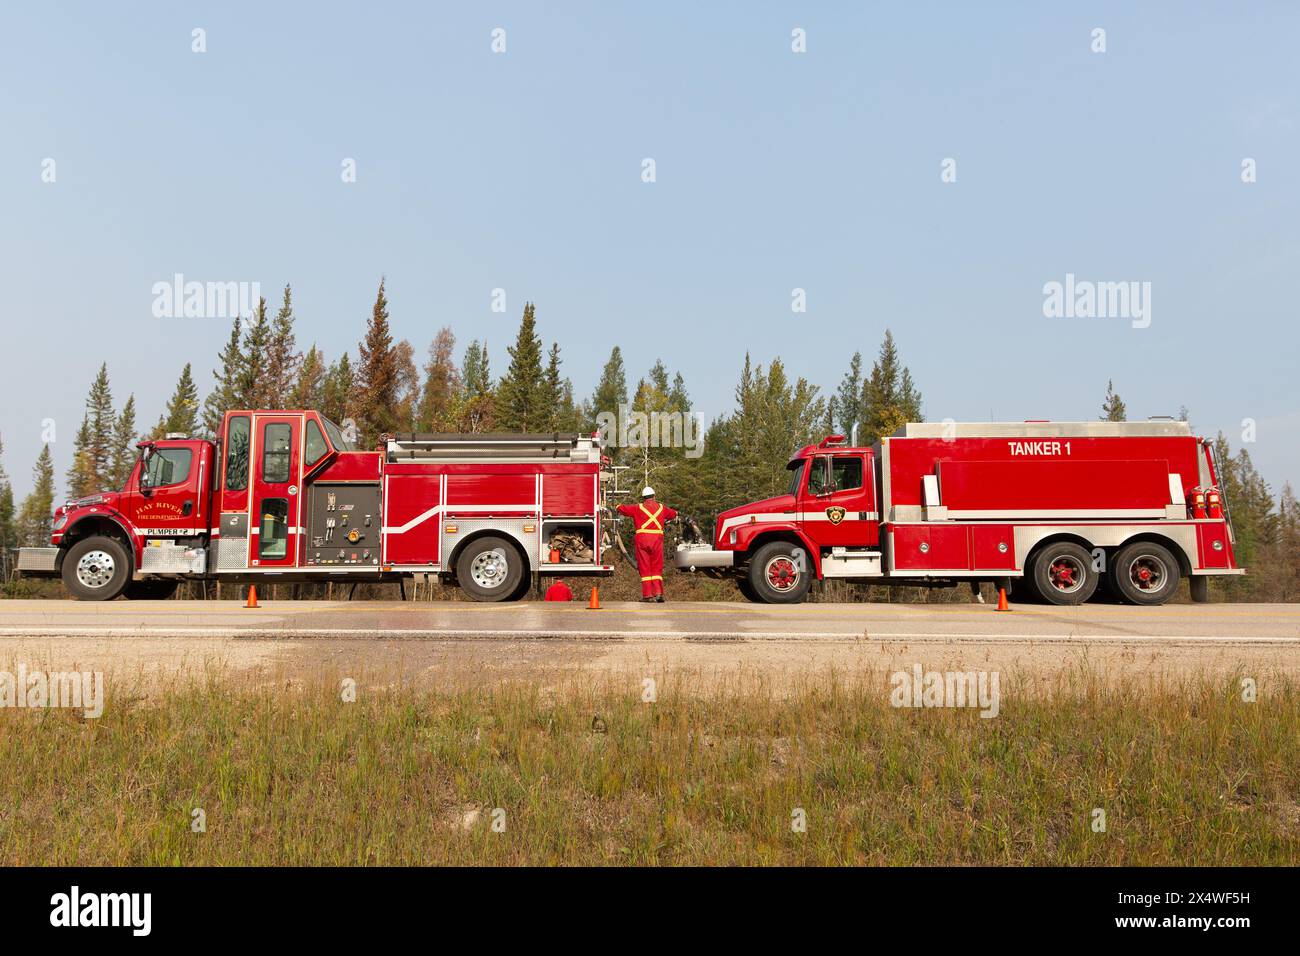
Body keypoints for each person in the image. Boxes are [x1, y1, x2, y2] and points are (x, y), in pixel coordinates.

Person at [617, 486, 677, 602]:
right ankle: (658, 593)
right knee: (657, 567)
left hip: (642, 539)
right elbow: (673, 513)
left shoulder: (638, 507)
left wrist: (617, 506)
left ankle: (648, 595)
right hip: (657, 540)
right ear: (654, 496)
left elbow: (623, 509)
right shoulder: (661, 508)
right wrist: (677, 513)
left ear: (643, 498)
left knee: (644, 567)